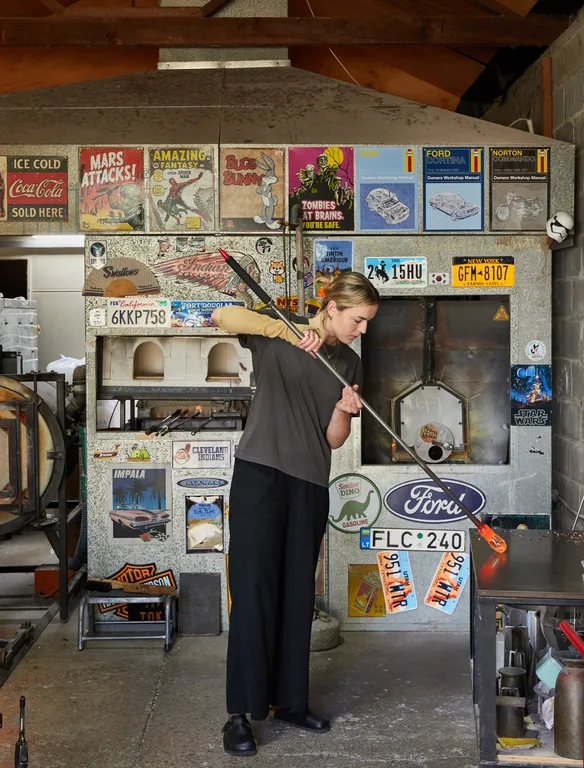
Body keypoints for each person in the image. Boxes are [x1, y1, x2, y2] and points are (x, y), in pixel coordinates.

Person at [211, 272, 380, 757]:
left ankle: (289, 702)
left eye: (367, 322)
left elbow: (333, 439)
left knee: (296, 594)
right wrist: (289, 331)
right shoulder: (278, 330)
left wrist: (345, 410)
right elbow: (222, 316)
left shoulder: (348, 362)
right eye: (357, 320)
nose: (362, 330)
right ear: (332, 308)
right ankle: (240, 714)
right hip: (260, 474)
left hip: (309, 482)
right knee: (253, 589)